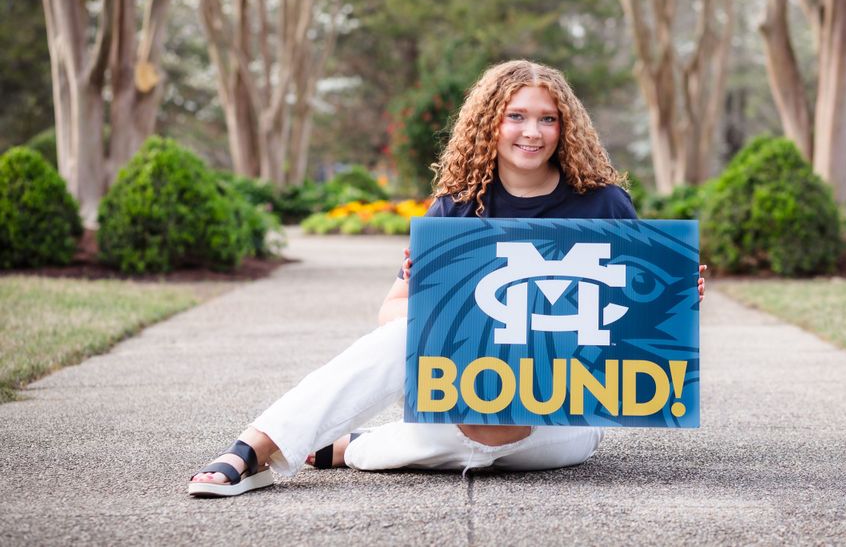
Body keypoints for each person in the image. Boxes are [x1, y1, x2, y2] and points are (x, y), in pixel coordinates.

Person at [188, 59, 707, 497]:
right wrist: (431, 297)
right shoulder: (456, 208)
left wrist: (674, 299)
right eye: (516, 116)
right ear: (490, 123)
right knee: (407, 338)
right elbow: (391, 312)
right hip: (465, 394)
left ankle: (354, 447)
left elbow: (632, 324)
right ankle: (253, 447)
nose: (532, 132)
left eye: (547, 119)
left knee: (448, 452)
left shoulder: (603, 205)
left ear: (564, 128)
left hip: (556, 425)